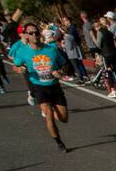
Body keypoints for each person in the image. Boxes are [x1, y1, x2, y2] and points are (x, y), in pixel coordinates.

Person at [10, 22, 71, 153]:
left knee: (64, 118)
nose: (34, 35)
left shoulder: (51, 49)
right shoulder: (23, 52)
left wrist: (60, 72)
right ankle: (59, 143)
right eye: (31, 33)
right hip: (39, 87)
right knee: (48, 114)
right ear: (26, 35)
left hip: (54, 86)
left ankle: (53, 110)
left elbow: (65, 64)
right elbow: (15, 65)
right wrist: (18, 69)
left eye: (36, 32)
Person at [94, 17, 116, 98]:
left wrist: (93, 38)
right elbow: (113, 38)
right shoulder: (109, 31)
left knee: (109, 72)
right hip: (114, 53)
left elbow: (98, 45)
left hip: (106, 55)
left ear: (97, 27)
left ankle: (113, 91)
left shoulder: (99, 32)